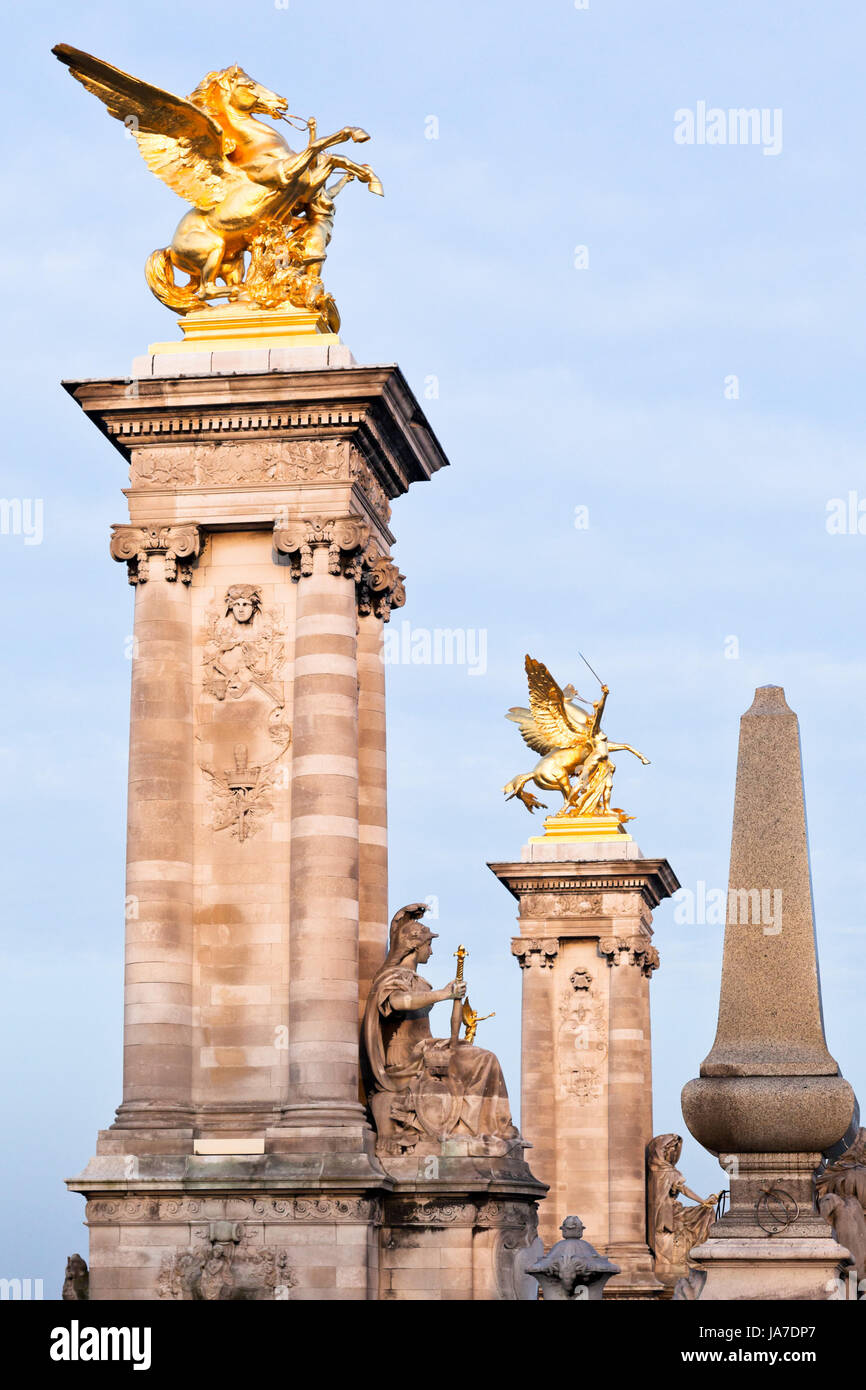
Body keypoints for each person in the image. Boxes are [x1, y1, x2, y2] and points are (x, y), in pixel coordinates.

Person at [362, 904, 518, 1156]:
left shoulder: (417, 979)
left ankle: (489, 1128)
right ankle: (476, 1127)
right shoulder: (393, 976)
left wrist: (452, 1000)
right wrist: (443, 995)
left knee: (484, 1058)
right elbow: (396, 1002)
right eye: (428, 945)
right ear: (414, 946)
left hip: (427, 1049)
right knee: (484, 1060)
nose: (431, 951)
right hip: (407, 1058)